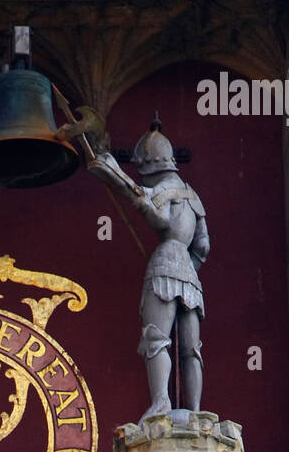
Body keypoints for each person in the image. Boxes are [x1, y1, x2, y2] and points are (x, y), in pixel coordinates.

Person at [72, 117, 209, 418]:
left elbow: (159, 219)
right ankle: (196, 411)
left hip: (163, 267)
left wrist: (120, 178)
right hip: (189, 274)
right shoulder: (193, 198)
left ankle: (162, 401)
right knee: (191, 349)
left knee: (156, 338)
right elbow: (203, 247)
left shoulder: (162, 190)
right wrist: (186, 267)